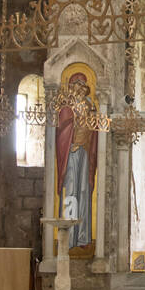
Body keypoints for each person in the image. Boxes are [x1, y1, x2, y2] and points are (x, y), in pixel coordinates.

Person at [54, 72, 98, 251]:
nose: (80, 88)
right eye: (76, 84)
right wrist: (72, 131)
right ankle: (68, 239)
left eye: (82, 85)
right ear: (71, 87)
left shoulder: (90, 105)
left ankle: (83, 237)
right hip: (72, 151)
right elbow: (62, 129)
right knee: (71, 192)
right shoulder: (66, 107)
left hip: (85, 151)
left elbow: (95, 128)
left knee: (84, 190)